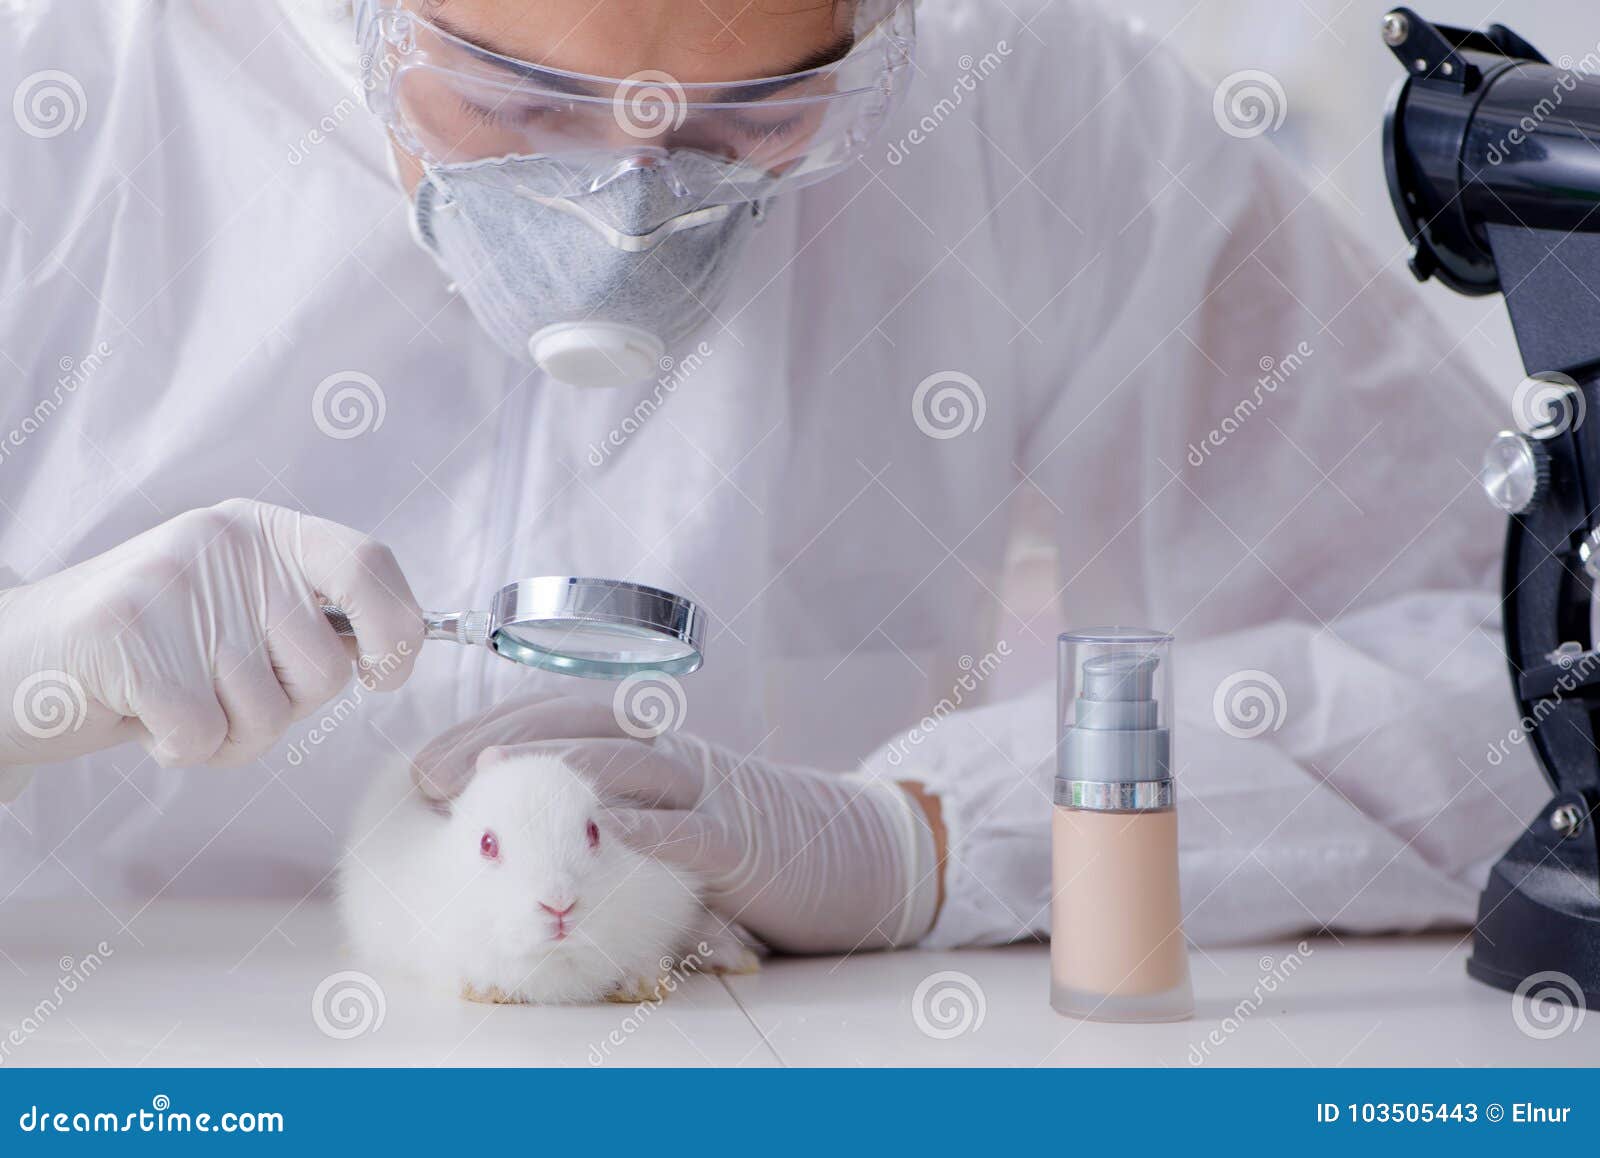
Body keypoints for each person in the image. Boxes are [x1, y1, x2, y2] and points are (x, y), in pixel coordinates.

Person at [0, 0, 1543, 952]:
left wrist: (929, 845)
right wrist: (27, 676)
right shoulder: (56, 98)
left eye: (754, 120)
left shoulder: (1044, 116)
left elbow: (1514, 682)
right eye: (513, 103)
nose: (624, 213)